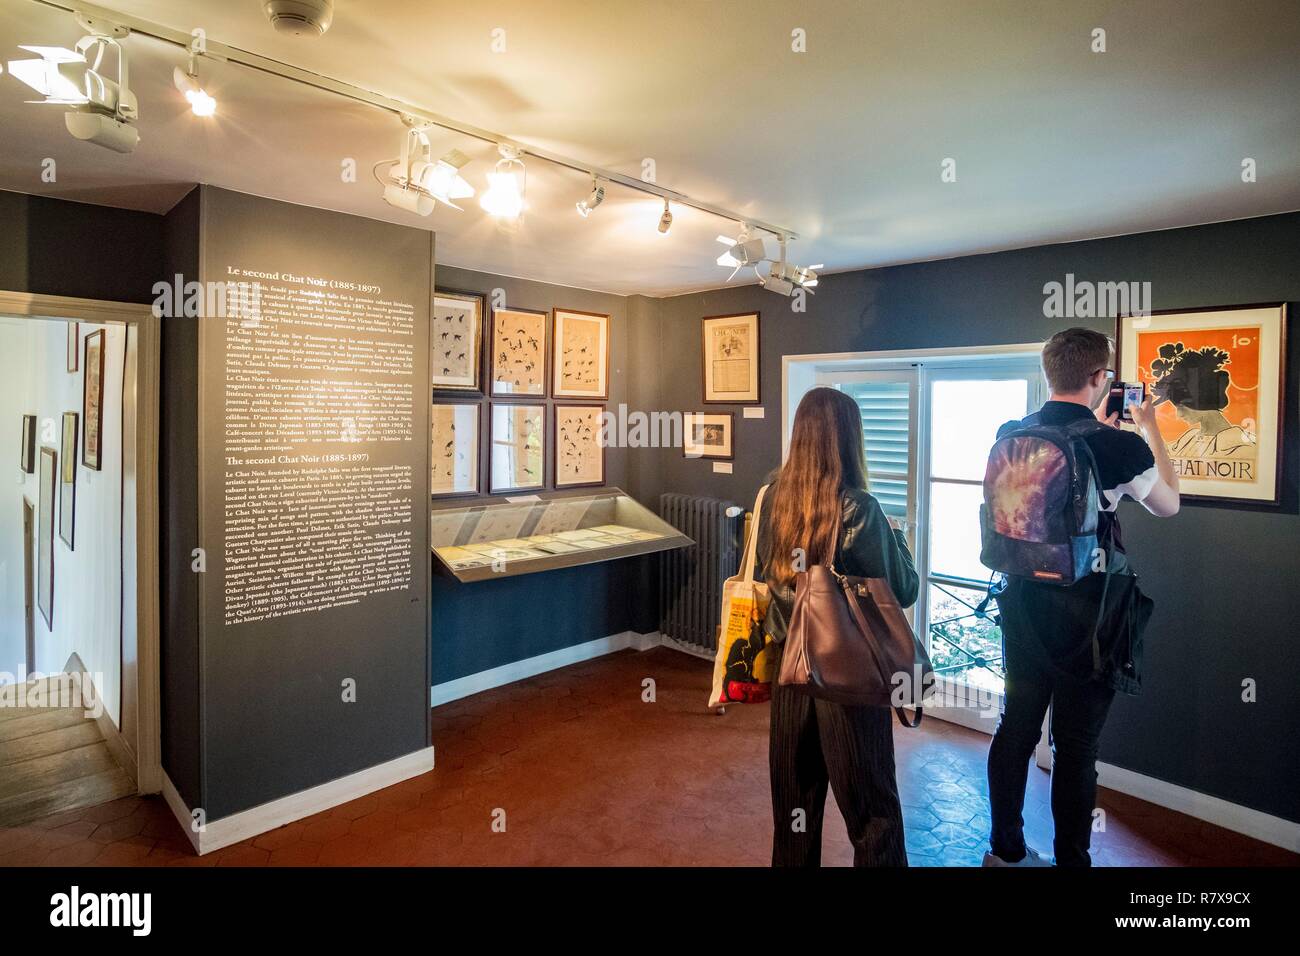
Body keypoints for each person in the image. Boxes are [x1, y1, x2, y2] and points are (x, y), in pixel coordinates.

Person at [984, 327, 1180, 867]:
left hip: (1020, 603)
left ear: (1050, 372)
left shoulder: (1012, 431)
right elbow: (1169, 505)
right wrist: (1149, 431)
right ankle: (1072, 861)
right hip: (1090, 615)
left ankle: (1005, 851)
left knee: (1016, 728)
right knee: (1076, 748)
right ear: (1100, 378)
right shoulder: (1118, 445)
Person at [754, 386, 919, 867]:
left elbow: (773, 575)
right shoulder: (861, 509)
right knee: (873, 814)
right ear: (850, 438)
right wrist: (898, 535)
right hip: (846, 677)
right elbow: (902, 590)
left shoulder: (771, 498)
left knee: (794, 809)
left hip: (790, 668)